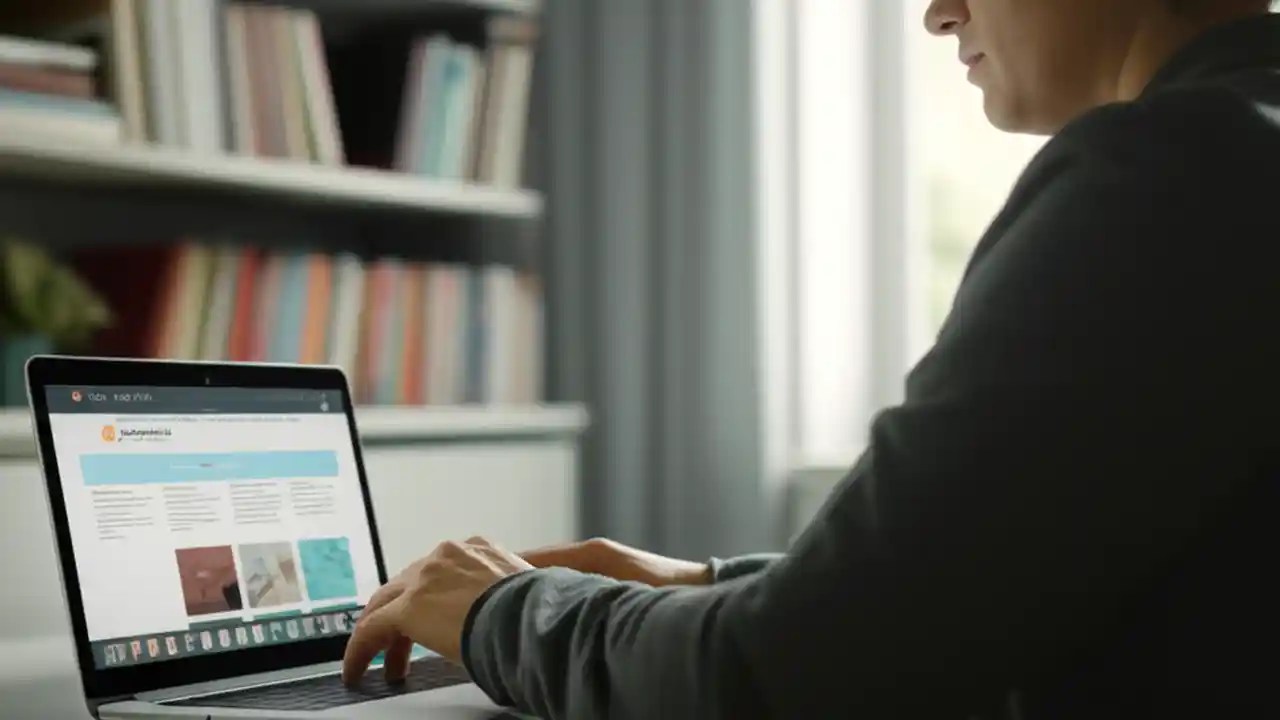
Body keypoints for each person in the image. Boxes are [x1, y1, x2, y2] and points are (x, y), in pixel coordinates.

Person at [343, 0, 1280, 717]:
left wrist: (503, 608)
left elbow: (789, 677)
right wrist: (711, 581)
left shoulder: (1174, 170)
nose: (936, 10)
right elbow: (989, 597)